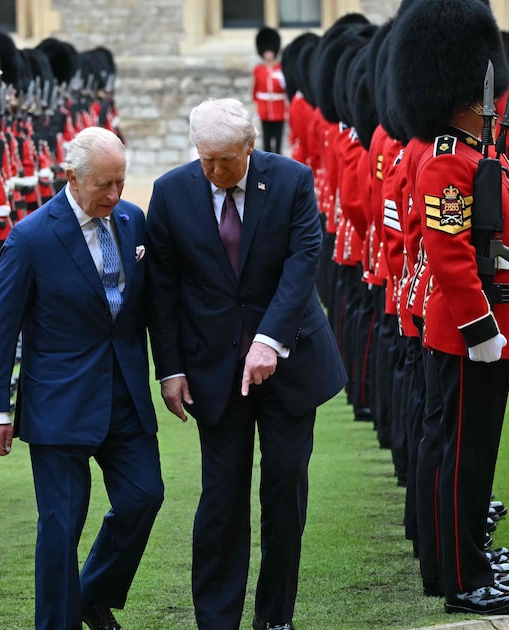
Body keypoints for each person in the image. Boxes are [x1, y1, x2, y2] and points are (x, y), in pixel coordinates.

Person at [145, 98, 346, 630]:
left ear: (250, 146)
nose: (214, 171)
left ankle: (275, 618)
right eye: (205, 159)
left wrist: (268, 340)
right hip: (213, 369)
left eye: (225, 160)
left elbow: (303, 263)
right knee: (221, 499)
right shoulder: (170, 193)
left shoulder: (291, 181)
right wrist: (170, 369)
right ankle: (216, 620)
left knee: (284, 490)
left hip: (288, 360)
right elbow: (162, 290)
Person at [0, 126, 163, 630]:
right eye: (104, 184)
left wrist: (170, 372)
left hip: (125, 393)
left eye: (121, 183)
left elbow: (149, 309)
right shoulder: (32, 235)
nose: (115, 196)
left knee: (145, 496)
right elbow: (2, 327)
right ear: (71, 178)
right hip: (58, 401)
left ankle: (93, 593)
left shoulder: (131, 220)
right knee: (60, 526)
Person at [389, 0, 509, 615]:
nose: (497, 101)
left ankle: (463, 564)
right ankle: (464, 580)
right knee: (460, 458)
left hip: (489, 323)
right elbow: (451, 258)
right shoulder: (450, 161)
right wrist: (481, 330)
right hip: (467, 330)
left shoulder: (479, 155)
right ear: (468, 91)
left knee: (473, 455)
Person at [253, 27, 287, 154]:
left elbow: (285, 90)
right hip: (264, 109)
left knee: (278, 139)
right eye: (266, 52)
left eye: (270, 51)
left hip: (279, 108)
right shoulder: (258, 69)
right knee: (266, 140)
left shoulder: (281, 68)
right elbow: (255, 91)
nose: (268, 54)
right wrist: (257, 109)